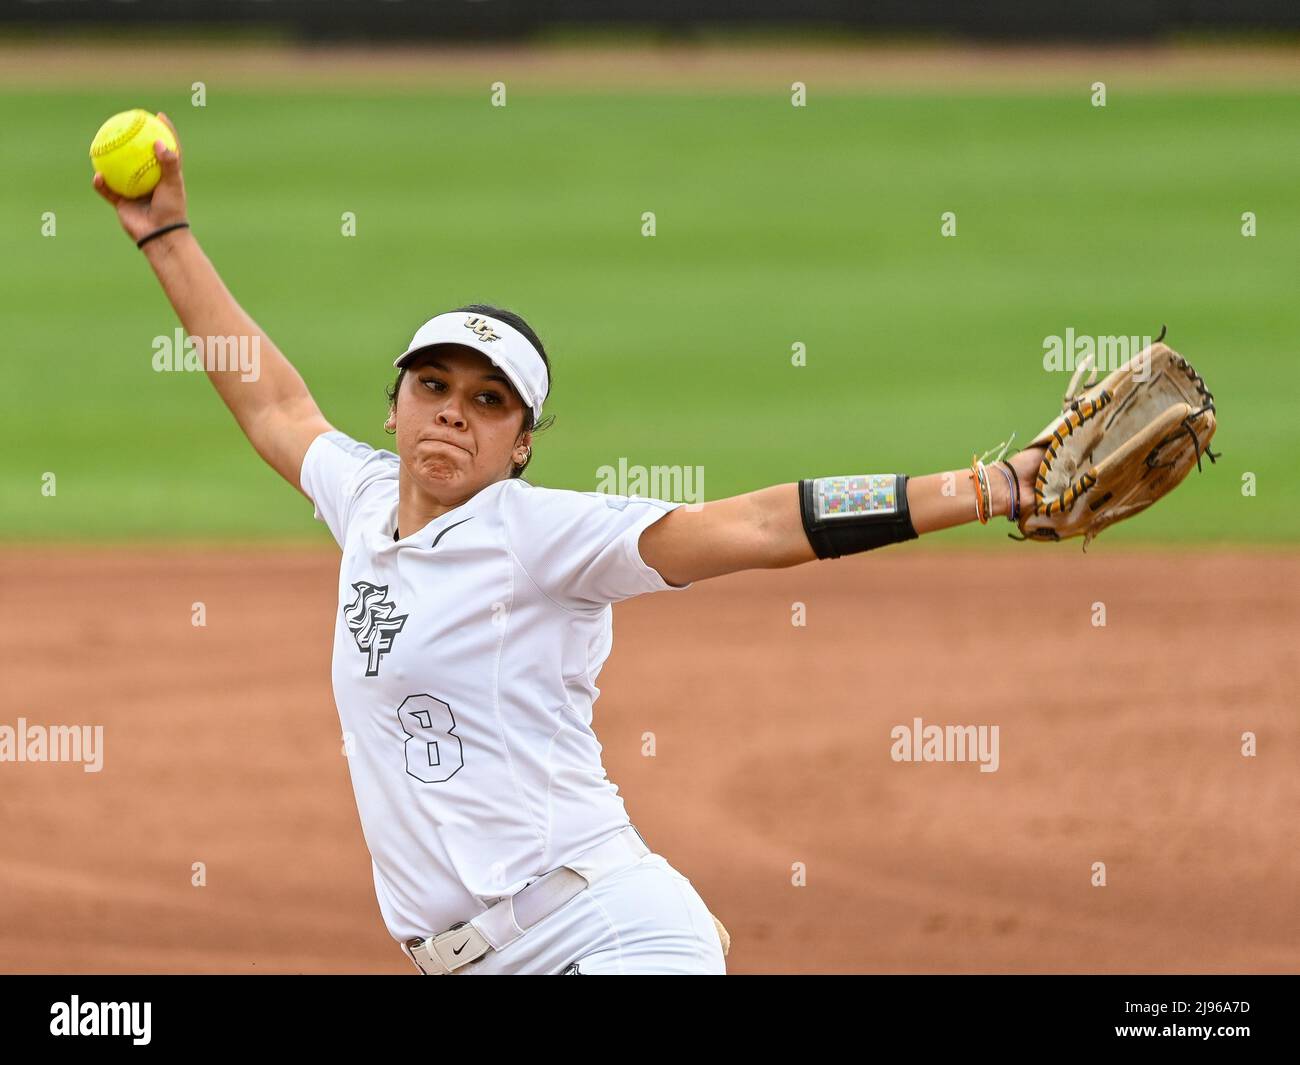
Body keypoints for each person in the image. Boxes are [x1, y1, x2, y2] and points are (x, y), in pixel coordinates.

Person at [94, 116, 1047, 975]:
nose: (453, 413)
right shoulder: (362, 496)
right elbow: (269, 400)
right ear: (391, 408)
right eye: (433, 385)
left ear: (521, 445)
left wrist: (981, 488)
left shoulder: (538, 534)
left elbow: (759, 525)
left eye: (488, 400)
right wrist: (166, 236)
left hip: (604, 938)